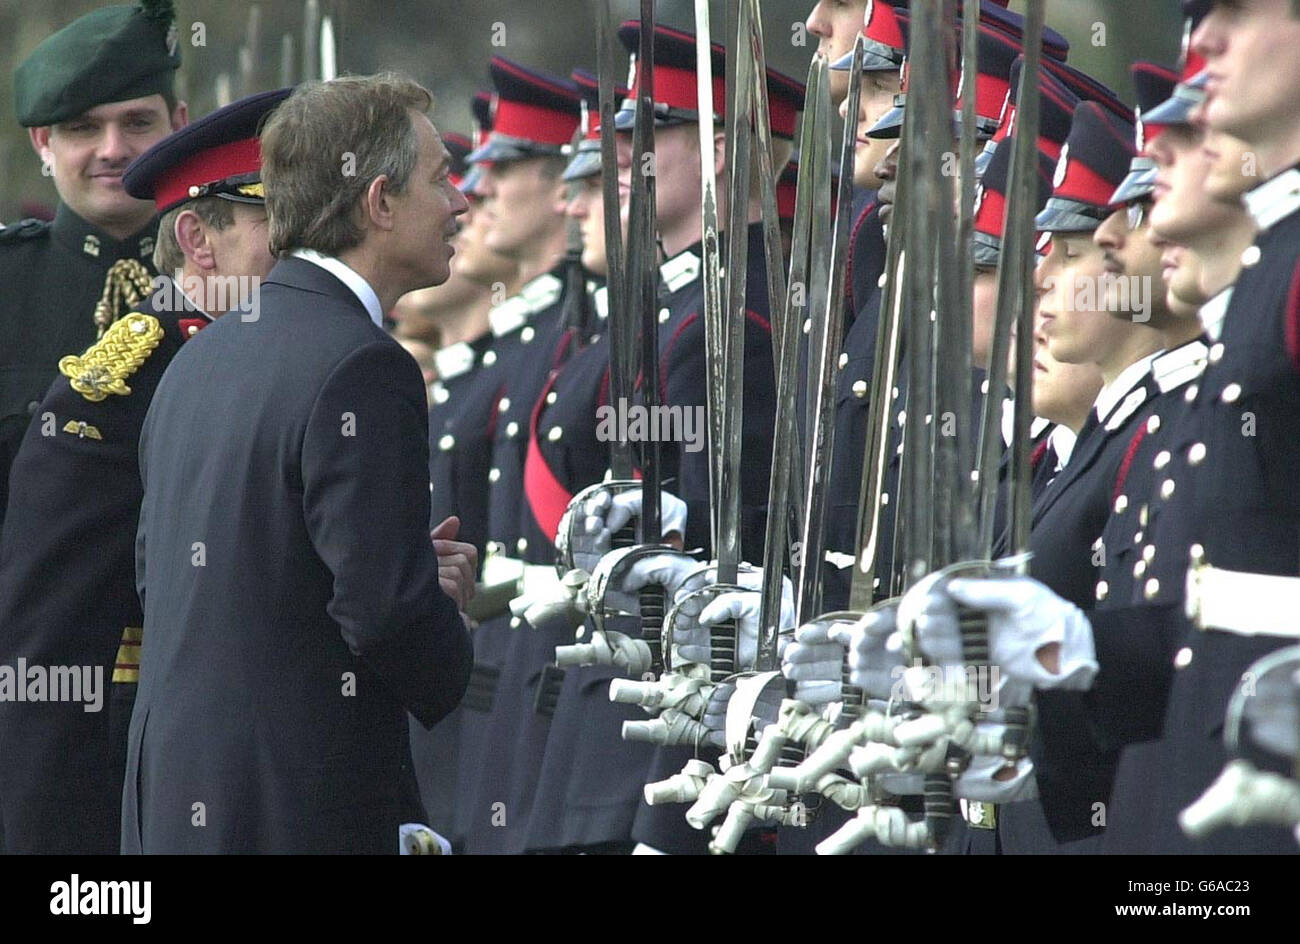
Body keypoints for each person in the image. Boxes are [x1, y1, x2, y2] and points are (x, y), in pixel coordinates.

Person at [122, 74, 475, 854]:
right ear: (378, 202)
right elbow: (379, 611)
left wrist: (400, 569)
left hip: (180, 800)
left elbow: (171, 574)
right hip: (296, 806)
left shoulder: (202, 352)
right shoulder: (362, 362)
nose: (460, 203)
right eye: (442, 178)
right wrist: (442, 631)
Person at [0, 87, 286, 856]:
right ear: (198, 237)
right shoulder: (129, 378)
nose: (306, 244)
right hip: (121, 769)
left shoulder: (273, 357)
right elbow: (56, 635)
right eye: (279, 221)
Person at [1, 0, 188, 529]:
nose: (113, 149)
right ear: (44, 143)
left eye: (137, 122)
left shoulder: (237, 286)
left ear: (178, 125)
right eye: (83, 128)